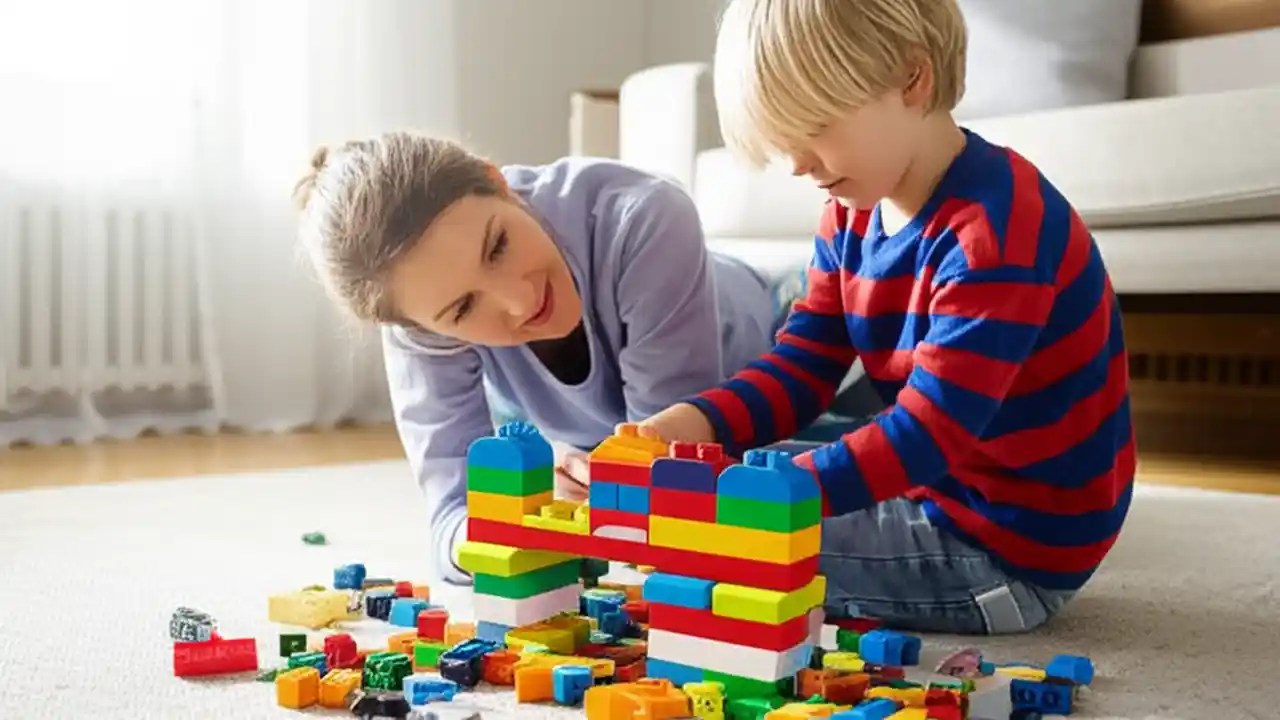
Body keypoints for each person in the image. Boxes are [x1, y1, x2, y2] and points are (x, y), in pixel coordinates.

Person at [640, 0, 1135, 635]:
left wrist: (756, 502)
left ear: (912, 78)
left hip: (1007, 552)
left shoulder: (997, 233)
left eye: (814, 126)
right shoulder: (851, 210)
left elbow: (927, 436)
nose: (796, 164)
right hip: (934, 490)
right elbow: (802, 368)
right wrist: (687, 427)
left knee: (723, 542)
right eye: (783, 139)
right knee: (715, 492)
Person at [292, 132, 783, 585]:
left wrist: (586, 496)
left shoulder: (645, 216)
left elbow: (666, 476)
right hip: (583, 423)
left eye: (498, 246)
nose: (521, 301)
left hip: (767, 336)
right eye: (464, 308)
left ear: (496, 180)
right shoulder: (420, 316)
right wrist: (510, 522)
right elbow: (453, 520)